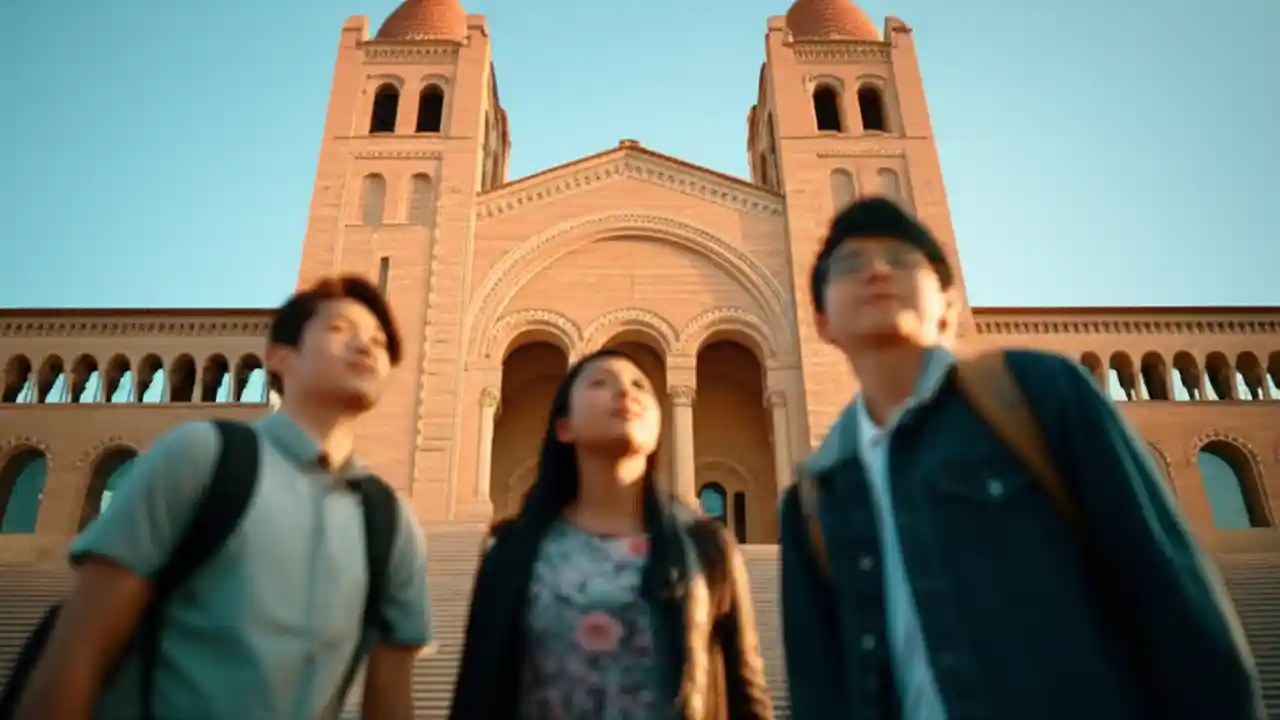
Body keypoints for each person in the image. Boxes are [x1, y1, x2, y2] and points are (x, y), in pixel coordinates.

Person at [778, 197, 1263, 719]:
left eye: (901, 258)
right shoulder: (815, 497)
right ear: (821, 321)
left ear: (949, 302)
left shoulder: (1041, 395)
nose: (876, 270)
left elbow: (1179, 614)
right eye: (850, 265)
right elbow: (821, 695)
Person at [15, 276, 431, 720]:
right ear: (278, 356)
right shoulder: (201, 457)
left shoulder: (392, 525)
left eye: (380, 342)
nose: (364, 347)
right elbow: (80, 648)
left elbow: (390, 699)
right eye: (338, 329)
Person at [449, 349, 774, 720]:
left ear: (658, 427)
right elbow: (474, 697)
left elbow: (746, 695)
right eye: (600, 382)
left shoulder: (706, 549)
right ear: (564, 426)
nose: (624, 392)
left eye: (639, 385)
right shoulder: (509, 554)